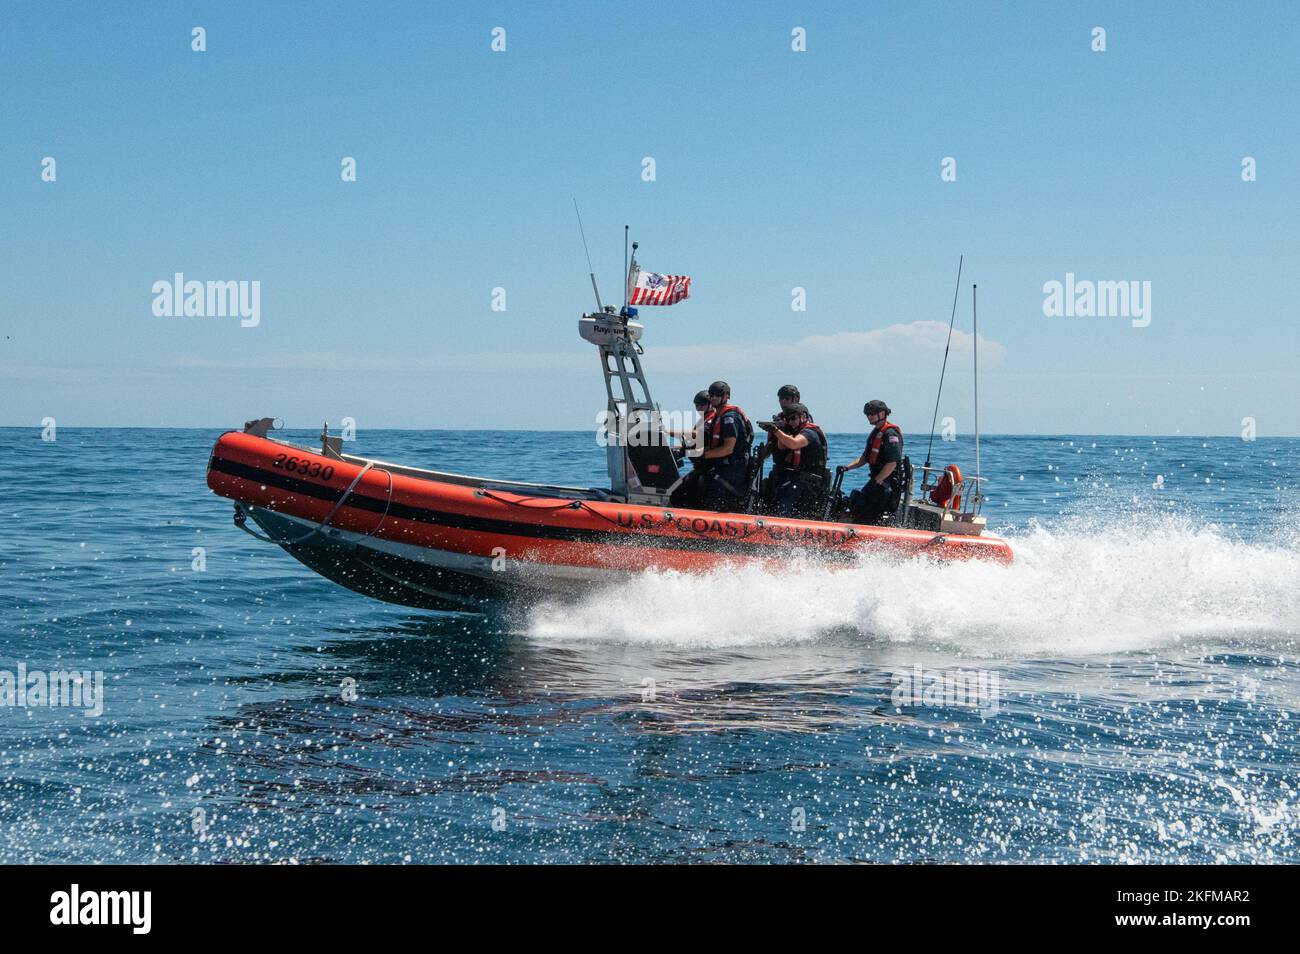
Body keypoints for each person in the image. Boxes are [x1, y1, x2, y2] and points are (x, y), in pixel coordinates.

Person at [842, 399, 903, 525]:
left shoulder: (891, 434)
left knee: (868, 513)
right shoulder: (876, 433)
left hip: (886, 485)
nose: (869, 416)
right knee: (855, 503)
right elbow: (864, 458)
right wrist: (846, 468)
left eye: (872, 413)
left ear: (882, 414)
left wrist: (877, 481)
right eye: (867, 414)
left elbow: (892, 463)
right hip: (876, 482)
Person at [696, 380, 752, 512]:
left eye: (717, 394)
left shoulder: (730, 417)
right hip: (721, 467)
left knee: (714, 501)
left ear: (726, 396)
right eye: (712, 395)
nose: (714, 397)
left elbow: (728, 448)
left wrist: (704, 455)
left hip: (733, 469)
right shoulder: (717, 417)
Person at [765, 403, 829, 517]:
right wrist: (781, 428)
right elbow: (782, 446)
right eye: (788, 419)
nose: (791, 422)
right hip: (797, 479)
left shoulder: (810, 433)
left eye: (793, 418)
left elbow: (793, 444)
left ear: (803, 417)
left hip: (811, 482)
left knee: (787, 499)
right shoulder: (794, 432)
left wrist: (775, 430)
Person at [669, 390, 713, 508]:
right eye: (697, 405)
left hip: (710, 469)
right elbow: (692, 442)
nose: (699, 408)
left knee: (683, 494)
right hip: (700, 468)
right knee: (676, 493)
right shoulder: (701, 421)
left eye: (702, 405)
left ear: (710, 405)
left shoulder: (712, 419)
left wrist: (670, 431)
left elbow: (698, 435)